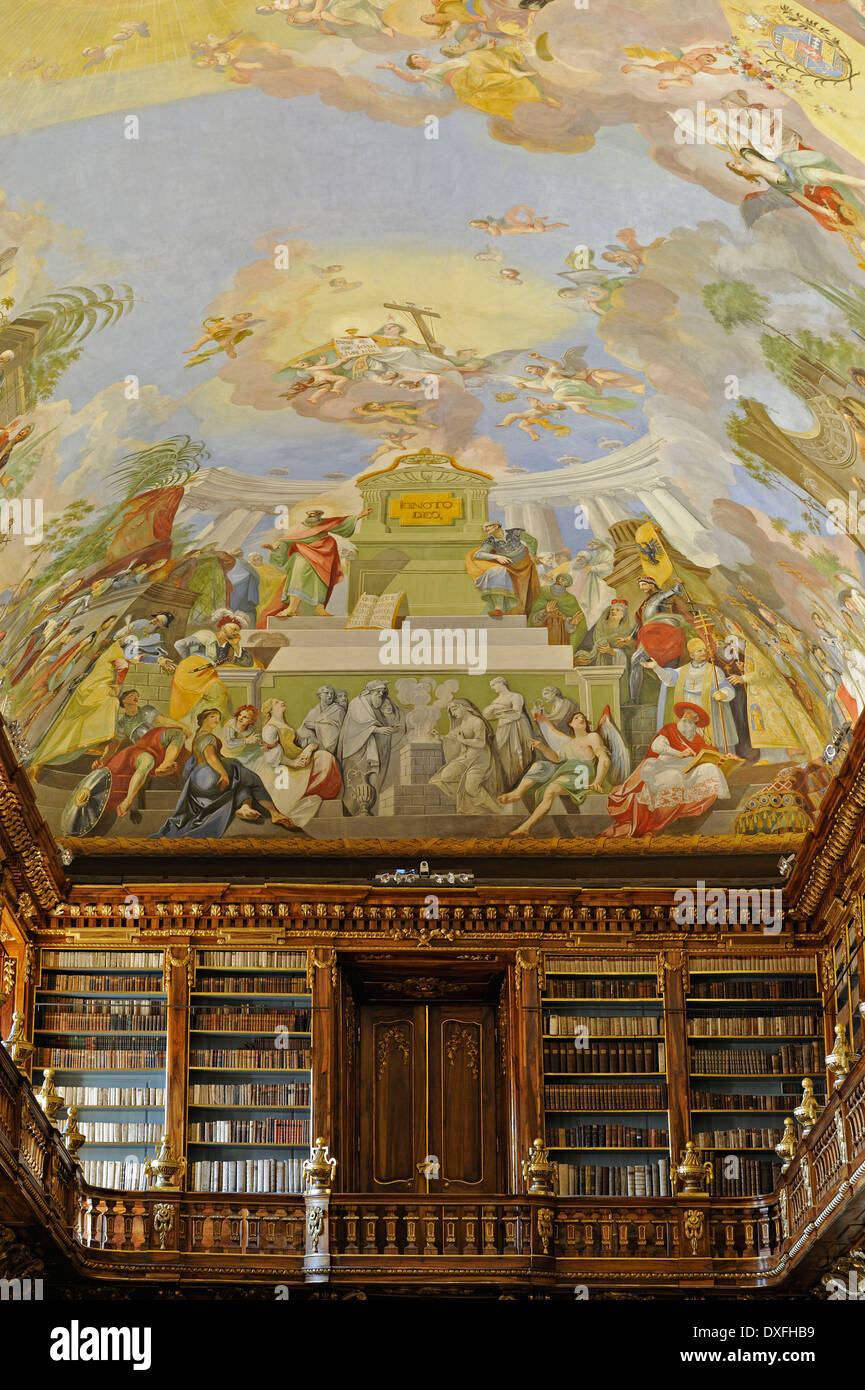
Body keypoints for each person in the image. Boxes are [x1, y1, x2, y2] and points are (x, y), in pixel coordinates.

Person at [156, 708, 297, 837]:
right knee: (244, 772)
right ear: (204, 720)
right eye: (212, 717)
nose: (216, 720)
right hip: (209, 774)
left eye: (218, 718)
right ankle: (274, 813)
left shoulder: (198, 736)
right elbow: (210, 756)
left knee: (241, 781)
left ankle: (245, 807)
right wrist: (222, 772)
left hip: (199, 783)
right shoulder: (207, 737)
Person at [601, 702, 729, 838]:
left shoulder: (697, 737)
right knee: (673, 778)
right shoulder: (670, 729)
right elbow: (657, 746)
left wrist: (724, 757)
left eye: (693, 717)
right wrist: (677, 753)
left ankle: (691, 811)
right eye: (686, 714)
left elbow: (708, 751)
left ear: (696, 721)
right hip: (663, 768)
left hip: (688, 771)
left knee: (710, 769)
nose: (688, 718)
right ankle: (657, 825)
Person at [503, 709, 615, 836]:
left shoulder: (592, 737)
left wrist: (598, 781)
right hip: (565, 771)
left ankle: (526, 826)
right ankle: (517, 793)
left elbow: (604, 759)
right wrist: (542, 747)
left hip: (581, 774)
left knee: (550, 789)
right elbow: (556, 758)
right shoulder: (567, 744)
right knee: (539, 766)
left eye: (583, 718)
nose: (581, 719)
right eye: (577, 718)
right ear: (571, 724)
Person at [91, 689, 189, 819]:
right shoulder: (121, 723)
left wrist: (182, 725)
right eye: (131, 696)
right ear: (123, 701)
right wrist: (103, 759)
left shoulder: (146, 710)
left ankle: (165, 764)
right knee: (146, 762)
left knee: (178, 734)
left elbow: (163, 721)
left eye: (137, 695)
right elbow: (114, 745)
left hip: (156, 739)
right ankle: (127, 801)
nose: (136, 697)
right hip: (142, 748)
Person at [261, 508, 371, 619]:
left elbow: (340, 522)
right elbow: (285, 540)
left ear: (319, 516)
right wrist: (275, 547)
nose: (312, 517)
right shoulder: (299, 528)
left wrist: (359, 516)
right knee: (300, 568)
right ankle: (292, 608)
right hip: (303, 554)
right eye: (310, 515)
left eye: (315, 515)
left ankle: (320, 608)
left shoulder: (325, 524)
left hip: (323, 555)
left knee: (321, 580)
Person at [250, 696, 342, 826]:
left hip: (298, 760)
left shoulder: (286, 725)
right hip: (282, 765)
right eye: (277, 702)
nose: (282, 702)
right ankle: (301, 799)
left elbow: (304, 742)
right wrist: (293, 763)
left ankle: (310, 791)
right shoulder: (269, 728)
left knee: (325, 757)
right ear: (270, 710)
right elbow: (272, 757)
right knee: (288, 798)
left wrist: (308, 750)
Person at [644, 637, 738, 753]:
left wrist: (723, 694)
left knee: (714, 740)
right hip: (690, 709)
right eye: (699, 651)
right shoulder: (683, 670)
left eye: (704, 650)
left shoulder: (714, 670)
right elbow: (669, 679)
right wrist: (656, 668)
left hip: (710, 709)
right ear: (692, 655)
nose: (704, 653)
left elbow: (726, 687)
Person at [337, 680, 404, 814]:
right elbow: (358, 726)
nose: (381, 694)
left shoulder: (372, 706)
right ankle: (353, 811)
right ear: (369, 691)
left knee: (370, 780)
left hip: (368, 749)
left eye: (382, 692)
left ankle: (366, 809)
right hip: (355, 750)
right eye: (378, 691)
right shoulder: (358, 703)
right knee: (355, 782)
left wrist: (389, 729)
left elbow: (376, 725)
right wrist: (378, 730)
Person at [430, 698, 505, 815]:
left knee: (471, 788)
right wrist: (440, 737)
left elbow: (481, 743)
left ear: (463, 707)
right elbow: (453, 739)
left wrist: (463, 740)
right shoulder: (462, 723)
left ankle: (497, 810)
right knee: (445, 776)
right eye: (452, 711)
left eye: (454, 709)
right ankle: (471, 802)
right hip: (464, 758)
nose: (454, 713)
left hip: (479, 760)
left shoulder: (477, 722)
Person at [466, 520, 540, 619]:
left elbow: (532, 541)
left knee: (527, 595)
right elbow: (478, 554)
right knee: (515, 594)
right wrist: (496, 557)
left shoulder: (515, 533)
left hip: (526, 567)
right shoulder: (490, 541)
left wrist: (533, 555)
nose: (485, 530)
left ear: (496, 526)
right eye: (484, 528)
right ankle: (500, 609)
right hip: (510, 568)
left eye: (487, 527)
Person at [482, 677, 535, 786]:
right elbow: (489, 715)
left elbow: (517, 714)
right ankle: (507, 782)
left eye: (494, 685)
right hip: (503, 727)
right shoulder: (496, 700)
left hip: (517, 727)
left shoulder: (515, 696)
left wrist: (501, 713)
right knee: (501, 752)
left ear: (502, 683)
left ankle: (520, 781)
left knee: (517, 752)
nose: (492, 688)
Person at [529, 572, 587, 652]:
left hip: (561, 634)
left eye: (564, 580)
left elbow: (573, 621)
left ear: (568, 584)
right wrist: (546, 612)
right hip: (543, 632)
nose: (560, 581)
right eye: (559, 578)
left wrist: (571, 623)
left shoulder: (571, 599)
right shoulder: (544, 591)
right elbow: (534, 619)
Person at [576, 597, 632, 666]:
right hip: (593, 666)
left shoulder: (626, 632)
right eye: (612, 610)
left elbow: (630, 655)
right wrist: (579, 658)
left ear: (623, 615)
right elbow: (584, 646)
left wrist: (612, 652)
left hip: (614, 670)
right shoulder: (597, 628)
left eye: (618, 610)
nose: (613, 612)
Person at [297, 685, 346, 752]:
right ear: (320, 695)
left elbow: (337, 728)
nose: (330, 695)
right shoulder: (314, 711)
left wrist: (316, 726)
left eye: (332, 694)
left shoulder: (338, 710)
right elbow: (304, 726)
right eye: (327, 693)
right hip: (312, 742)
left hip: (329, 746)